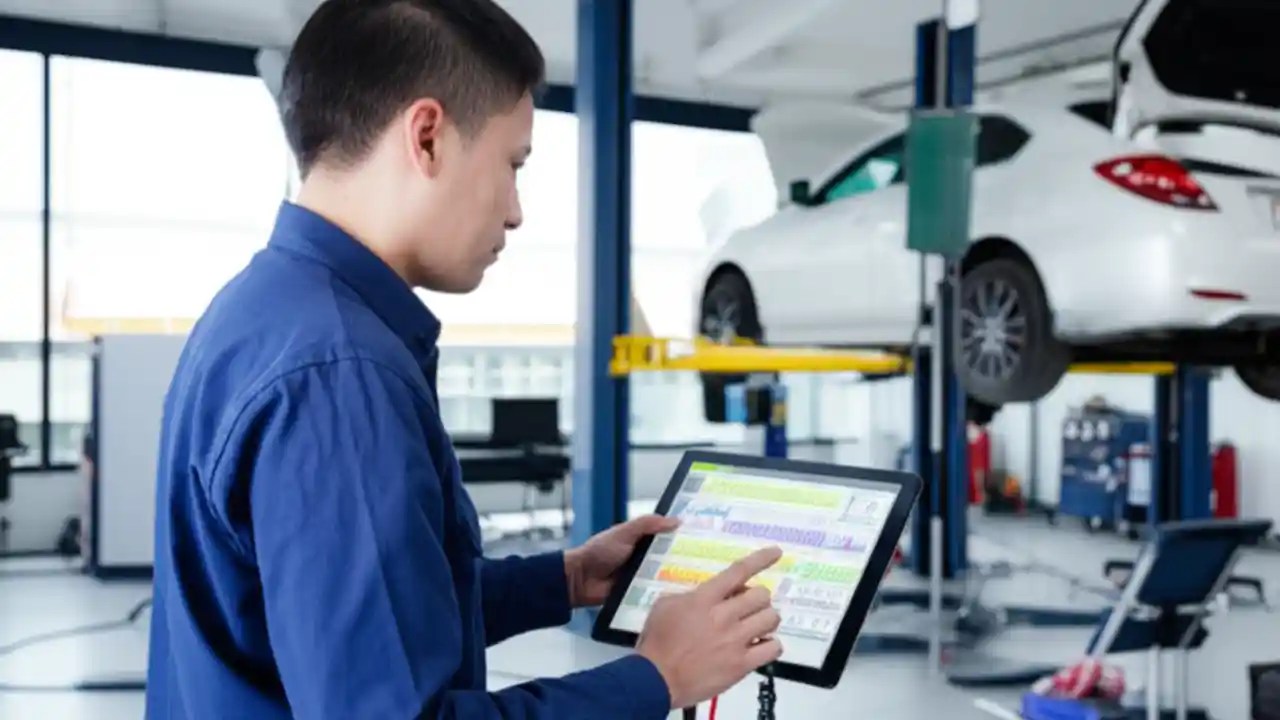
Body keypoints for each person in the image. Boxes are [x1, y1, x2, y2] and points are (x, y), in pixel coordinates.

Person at [144, 1, 785, 718]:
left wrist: (566, 579)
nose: (515, 210)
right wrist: (656, 677)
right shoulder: (342, 375)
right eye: (513, 164)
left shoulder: (262, 312)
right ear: (427, 137)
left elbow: (355, 624)